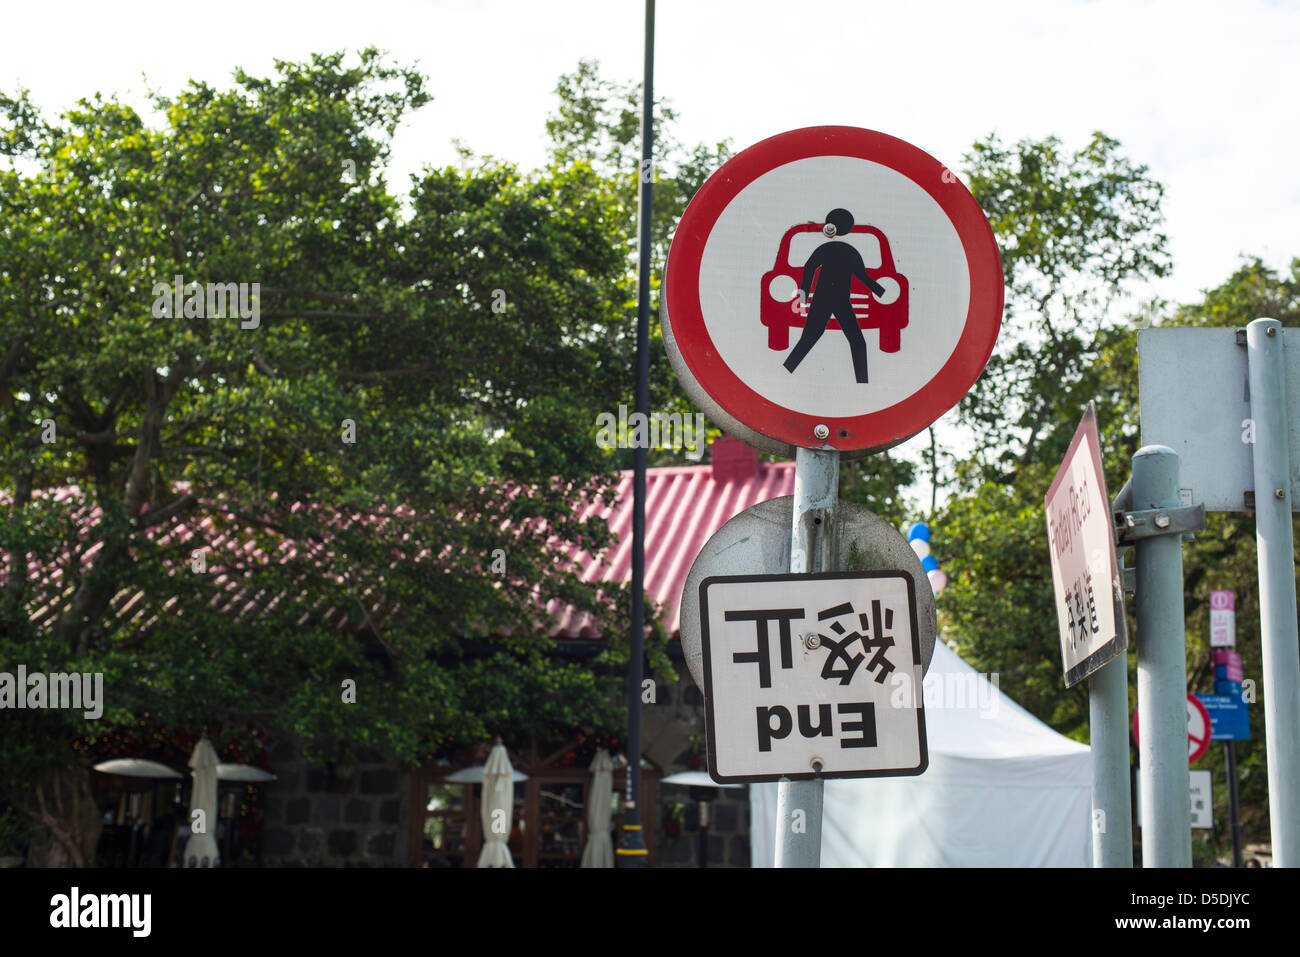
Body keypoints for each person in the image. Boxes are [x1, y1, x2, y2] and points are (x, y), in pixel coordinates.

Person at [782, 208, 886, 384]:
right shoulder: (850, 252)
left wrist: (803, 297)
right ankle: (862, 383)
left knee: (810, 338)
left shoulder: (827, 248)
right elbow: (862, 275)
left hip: (827, 300)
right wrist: (880, 291)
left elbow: (809, 268)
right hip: (837, 301)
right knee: (856, 341)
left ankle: (785, 372)